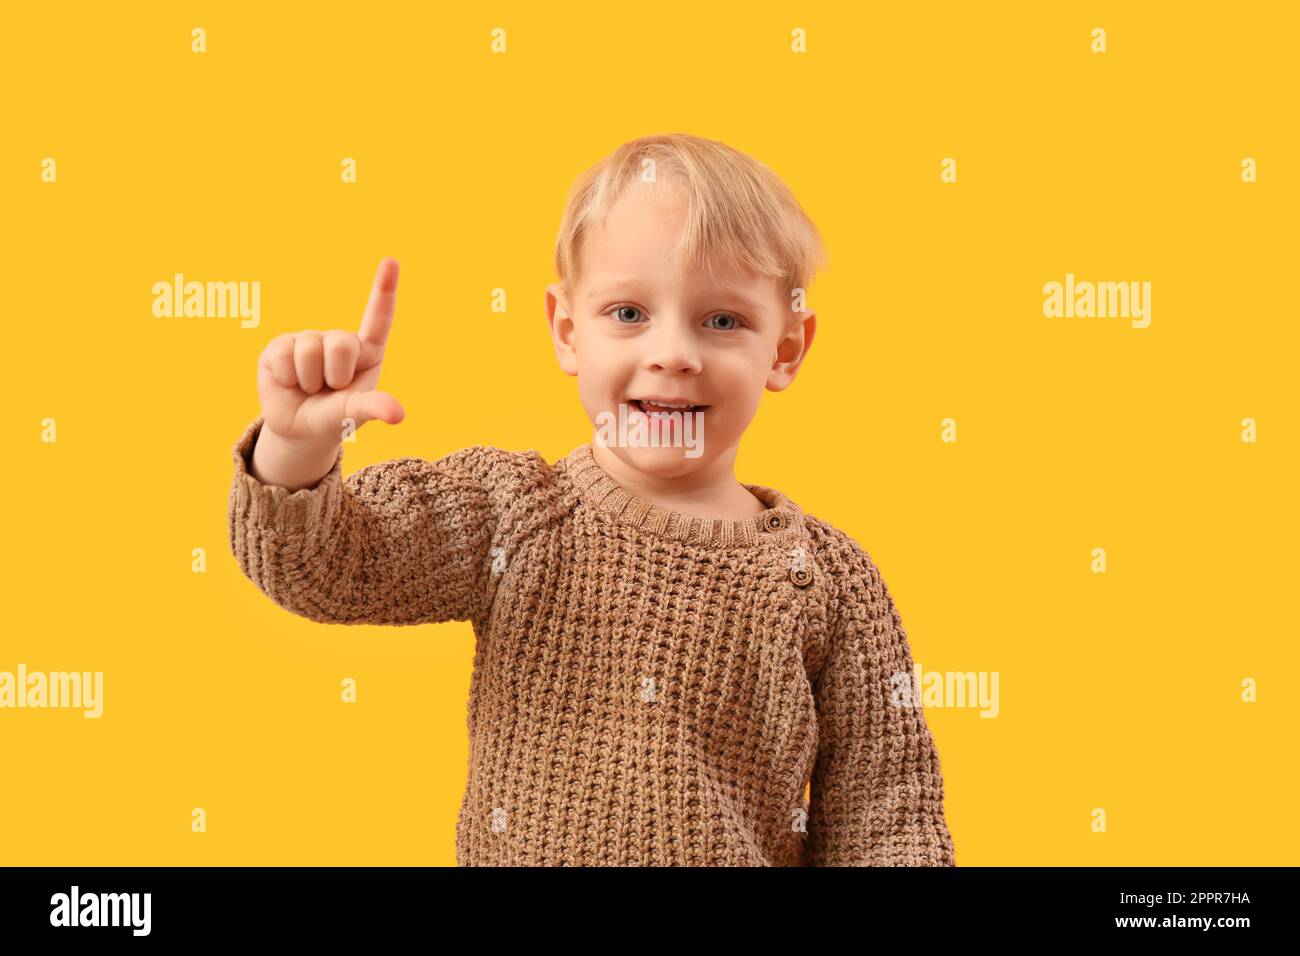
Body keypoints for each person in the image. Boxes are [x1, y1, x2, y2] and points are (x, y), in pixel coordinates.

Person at [227, 132, 956, 866]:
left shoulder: (827, 582)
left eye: (723, 320)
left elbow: (888, 816)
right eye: (629, 314)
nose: (673, 352)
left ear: (786, 348)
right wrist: (296, 449)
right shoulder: (513, 513)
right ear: (568, 332)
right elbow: (328, 564)